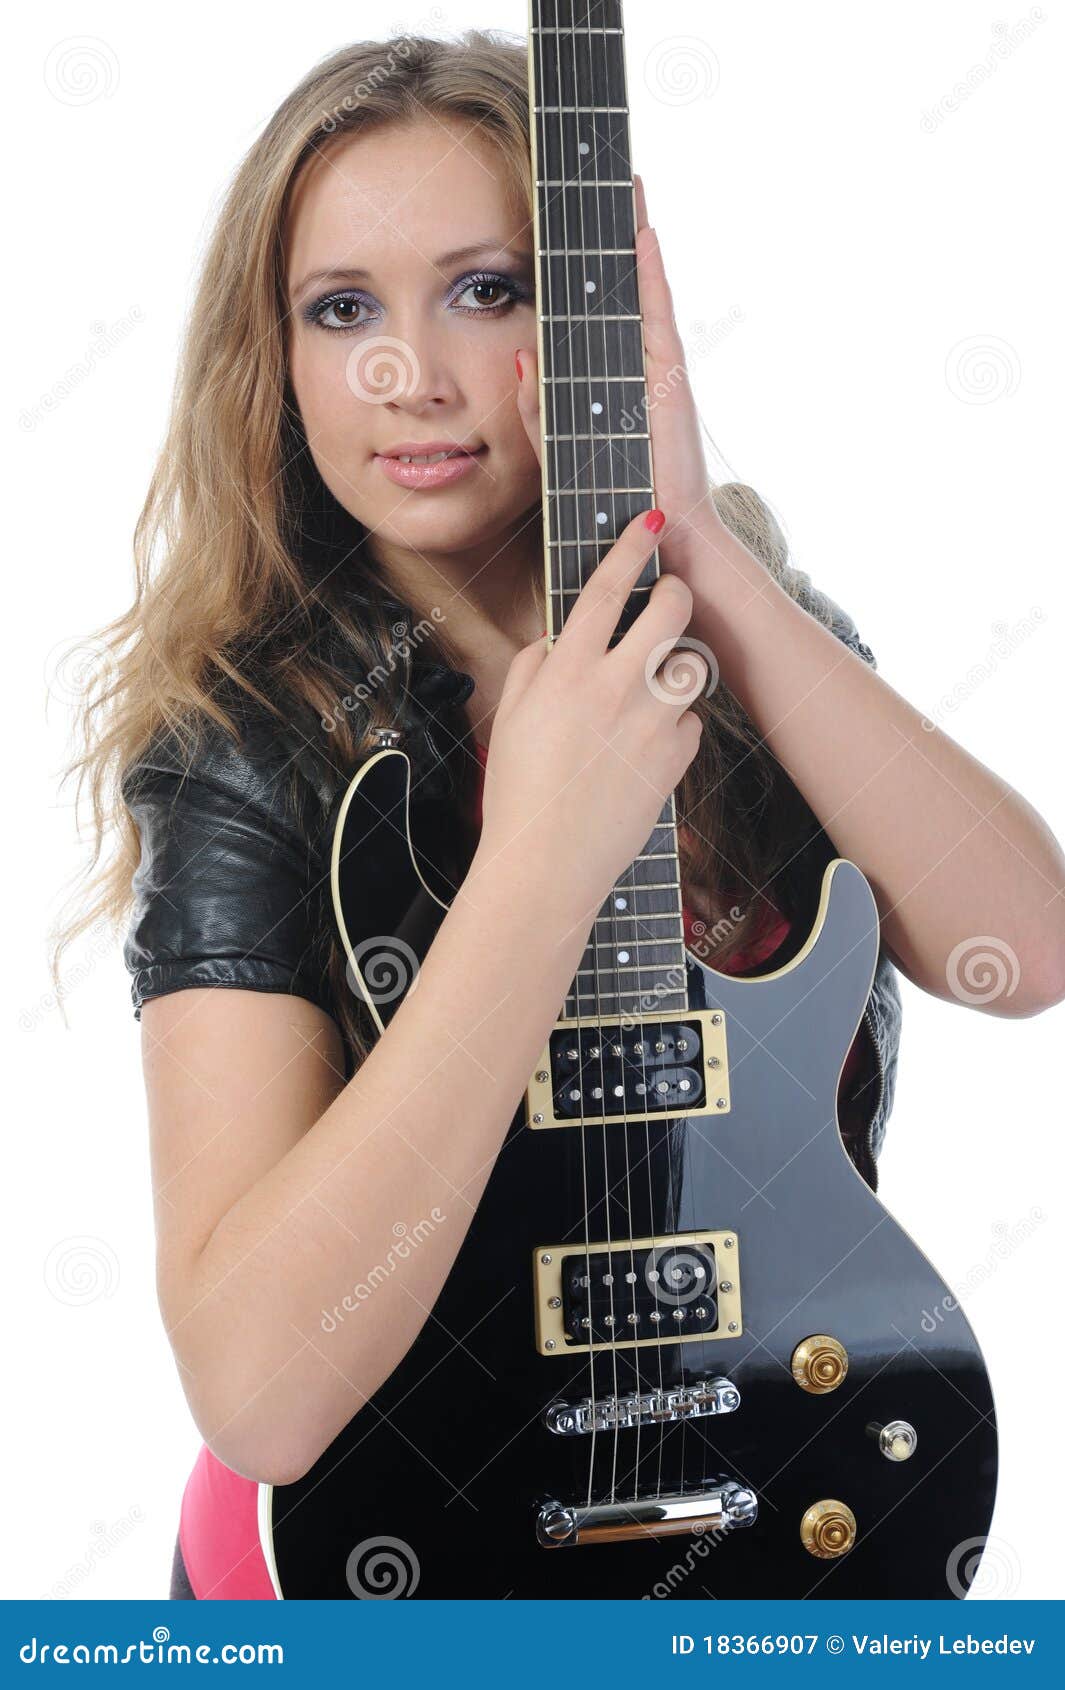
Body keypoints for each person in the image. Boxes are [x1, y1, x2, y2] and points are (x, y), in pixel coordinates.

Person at [58, 33, 1065, 1599]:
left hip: (785, 1497)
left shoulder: (745, 646)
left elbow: (1026, 948)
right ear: (274, 359)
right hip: (385, 1544)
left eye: (488, 289)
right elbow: (259, 1390)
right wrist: (538, 857)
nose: (417, 375)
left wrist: (710, 569)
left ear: (591, 317)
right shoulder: (245, 747)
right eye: (344, 310)